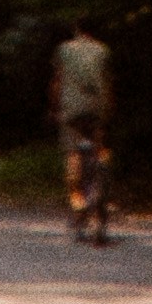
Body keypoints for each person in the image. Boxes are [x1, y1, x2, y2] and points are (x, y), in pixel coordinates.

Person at [49, 19, 114, 228]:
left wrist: (55, 109)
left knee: (72, 153)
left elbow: (57, 83)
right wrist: (108, 110)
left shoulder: (65, 50)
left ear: (76, 30)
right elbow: (108, 82)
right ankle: (104, 171)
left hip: (72, 110)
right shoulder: (103, 50)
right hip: (97, 108)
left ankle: (78, 205)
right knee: (98, 143)